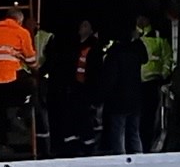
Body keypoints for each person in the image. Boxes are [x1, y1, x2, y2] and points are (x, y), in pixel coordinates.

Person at [0, 8, 39, 158]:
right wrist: (35, 69)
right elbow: (31, 58)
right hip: (8, 77)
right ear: (19, 21)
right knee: (32, 86)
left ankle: (2, 145)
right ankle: (21, 115)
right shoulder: (22, 32)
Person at [54, 19, 104, 155]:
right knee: (71, 119)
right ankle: (71, 148)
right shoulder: (73, 47)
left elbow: (96, 72)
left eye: (86, 25)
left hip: (85, 91)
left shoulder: (94, 47)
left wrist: (94, 93)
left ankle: (89, 149)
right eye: (81, 24)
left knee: (85, 120)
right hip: (73, 90)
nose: (82, 27)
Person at [99, 27, 145, 154]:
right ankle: (138, 157)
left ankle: (120, 160)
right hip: (135, 98)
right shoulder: (136, 53)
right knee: (134, 132)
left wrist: (103, 95)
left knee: (118, 133)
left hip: (118, 99)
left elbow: (110, 79)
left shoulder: (114, 55)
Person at [135, 16, 174, 149]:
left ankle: (145, 145)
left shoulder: (158, 37)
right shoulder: (135, 36)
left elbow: (167, 58)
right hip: (135, 84)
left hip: (151, 83)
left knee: (149, 118)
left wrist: (163, 76)